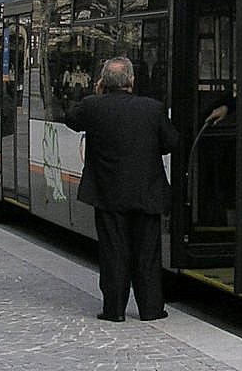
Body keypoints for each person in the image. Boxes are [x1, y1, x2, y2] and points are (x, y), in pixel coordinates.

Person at [65, 56, 177, 322]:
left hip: (108, 194)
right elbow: (171, 141)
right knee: (147, 253)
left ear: (103, 82)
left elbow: (70, 118)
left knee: (113, 251)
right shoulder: (152, 108)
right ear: (132, 81)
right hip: (146, 192)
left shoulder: (92, 106)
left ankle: (113, 310)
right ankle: (151, 309)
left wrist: (96, 94)